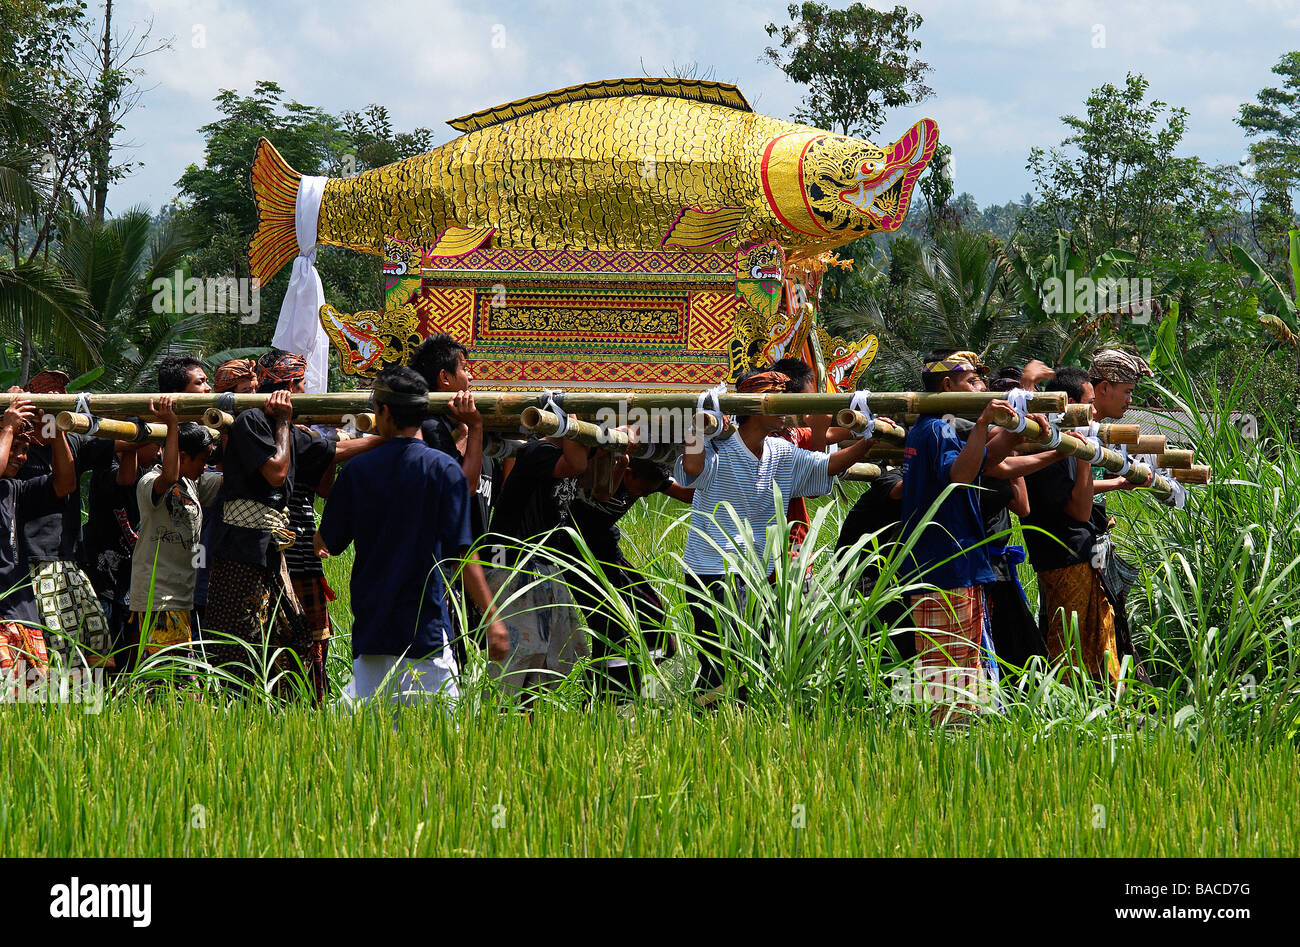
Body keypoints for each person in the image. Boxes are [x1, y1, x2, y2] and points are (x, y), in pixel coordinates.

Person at [675, 367, 877, 700]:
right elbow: (693, 470)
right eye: (778, 403)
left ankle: (728, 719)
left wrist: (867, 442)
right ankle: (707, 721)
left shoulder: (780, 452)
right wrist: (698, 424)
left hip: (755, 571)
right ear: (758, 410)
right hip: (712, 570)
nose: (786, 411)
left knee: (750, 656)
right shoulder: (718, 449)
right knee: (721, 661)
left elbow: (825, 465)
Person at [315, 367, 507, 706]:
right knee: (439, 742)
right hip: (426, 633)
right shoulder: (443, 470)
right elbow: (463, 555)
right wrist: (492, 621)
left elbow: (326, 543)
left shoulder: (358, 471)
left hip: (372, 633)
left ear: (385, 412)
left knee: (369, 741)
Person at [899, 351, 1040, 723]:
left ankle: (958, 734)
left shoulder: (934, 427)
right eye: (971, 381)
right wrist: (981, 424)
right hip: (944, 564)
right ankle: (947, 736)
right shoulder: (936, 428)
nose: (979, 387)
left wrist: (1012, 430)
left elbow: (982, 461)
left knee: (961, 666)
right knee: (947, 672)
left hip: (953, 563)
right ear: (948, 385)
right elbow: (961, 475)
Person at [1023, 363, 1151, 684]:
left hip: (1077, 555)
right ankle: (1077, 711)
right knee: (1073, 650)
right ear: (1071, 406)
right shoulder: (1057, 444)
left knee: (1101, 640)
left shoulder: (1062, 440)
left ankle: (1111, 707)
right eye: (1088, 402)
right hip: (1065, 558)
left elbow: (1079, 494)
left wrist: (1118, 484)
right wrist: (1085, 454)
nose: (1093, 411)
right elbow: (1079, 510)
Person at [201, 350, 319, 695]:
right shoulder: (252, 420)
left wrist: (383, 438)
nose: (303, 392)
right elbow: (276, 473)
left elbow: (331, 449)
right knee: (236, 646)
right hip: (241, 551)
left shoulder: (281, 427)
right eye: (299, 385)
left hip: (269, 553)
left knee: (293, 635)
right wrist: (284, 422)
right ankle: (237, 720)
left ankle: (282, 716)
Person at [14, 369, 119, 670]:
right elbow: (64, 485)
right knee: (53, 653)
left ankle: (91, 710)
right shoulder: (16, 452)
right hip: (31, 560)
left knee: (96, 650)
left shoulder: (70, 442)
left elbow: (131, 443)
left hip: (68, 560)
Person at [482, 420, 590, 704]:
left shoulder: (570, 455)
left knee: (553, 663)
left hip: (544, 567)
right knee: (515, 666)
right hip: (513, 568)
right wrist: (578, 422)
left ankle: (531, 731)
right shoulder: (537, 452)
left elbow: (602, 487)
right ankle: (500, 730)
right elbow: (577, 464)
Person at [408, 334, 500, 668]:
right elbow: (466, 486)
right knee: (451, 660)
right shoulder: (431, 427)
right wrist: (474, 427)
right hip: (443, 564)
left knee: (459, 657)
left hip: (449, 561)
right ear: (445, 379)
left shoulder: (438, 427)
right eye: (464, 368)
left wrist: (463, 432)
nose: (471, 376)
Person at [556, 452, 672, 700]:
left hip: (610, 554)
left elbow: (686, 493)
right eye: (642, 491)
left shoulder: (648, 477)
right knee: (610, 636)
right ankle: (598, 705)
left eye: (650, 493)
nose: (643, 497)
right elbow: (602, 493)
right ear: (628, 473)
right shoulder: (600, 474)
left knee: (659, 631)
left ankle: (647, 695)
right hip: (579, 556)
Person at [128, 397, 221, 666]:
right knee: (165, 679)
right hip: (158, 597)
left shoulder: (194, 484)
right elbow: (168, 478)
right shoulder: (149, 483)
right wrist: (171, 425)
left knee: (177, 678)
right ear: (181, 456)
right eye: (201, 460)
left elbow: (232, 481)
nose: (205, 466)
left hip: (183, 597)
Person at [0, 398, 76, 694]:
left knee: (28, 707)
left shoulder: (13, 489)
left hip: (18, 609)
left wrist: (56, 431)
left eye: (24, 449)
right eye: (14, 447)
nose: (20, 457)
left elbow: (65, 483)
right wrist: (8, 427)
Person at [193, 359, 258, 626]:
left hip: (242, 539)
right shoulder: (208, 430)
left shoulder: (257, 428)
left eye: (257, 389)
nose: (255, 398)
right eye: (247, 391)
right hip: (213, 527)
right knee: (206, 598)